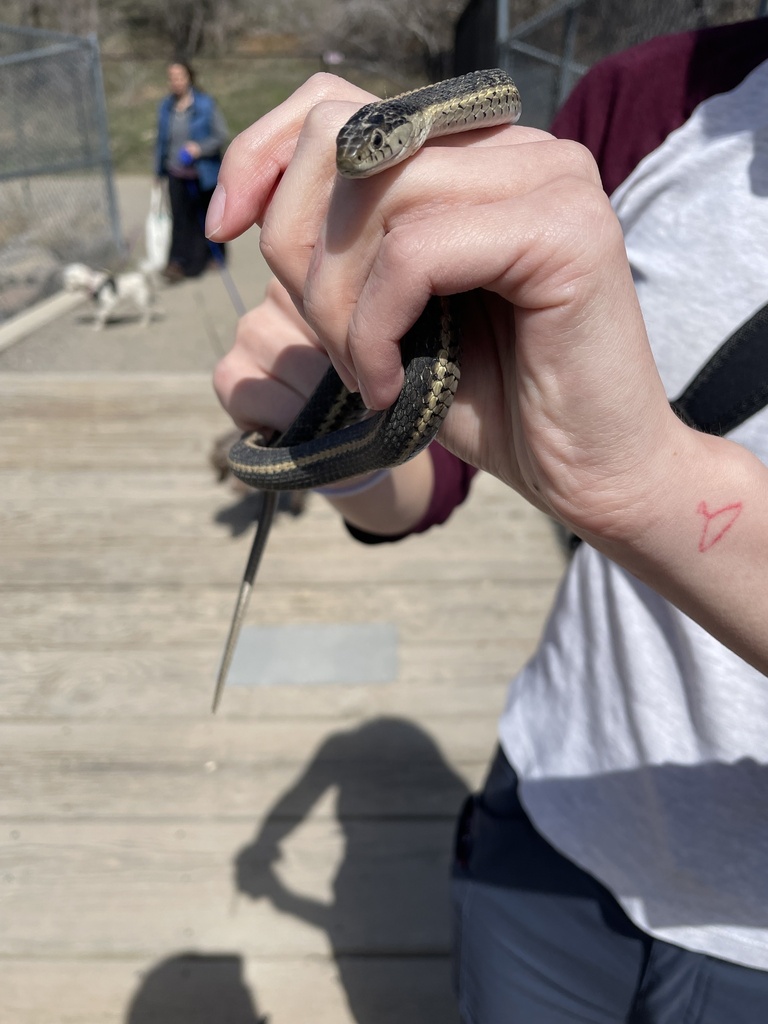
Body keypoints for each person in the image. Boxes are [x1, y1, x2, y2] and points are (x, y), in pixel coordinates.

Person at [209, 16, 768, 1023]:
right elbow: (451, 460)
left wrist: (645, 487)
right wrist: (337, 425)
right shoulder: (647, 100)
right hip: (550, 819)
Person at [154, 60, 228, 282]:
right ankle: (177, 262)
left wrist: (199, 148)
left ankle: (212, 257)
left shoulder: (205, 104)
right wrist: (158, 171)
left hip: (202, 173)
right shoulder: (166, 107)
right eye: (172, 77)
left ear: (189, 77)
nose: (175, 82)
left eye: (179, 77)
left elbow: (220, 135)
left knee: (205, 218)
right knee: (179, 219)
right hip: (175, 172)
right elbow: (161, 141)